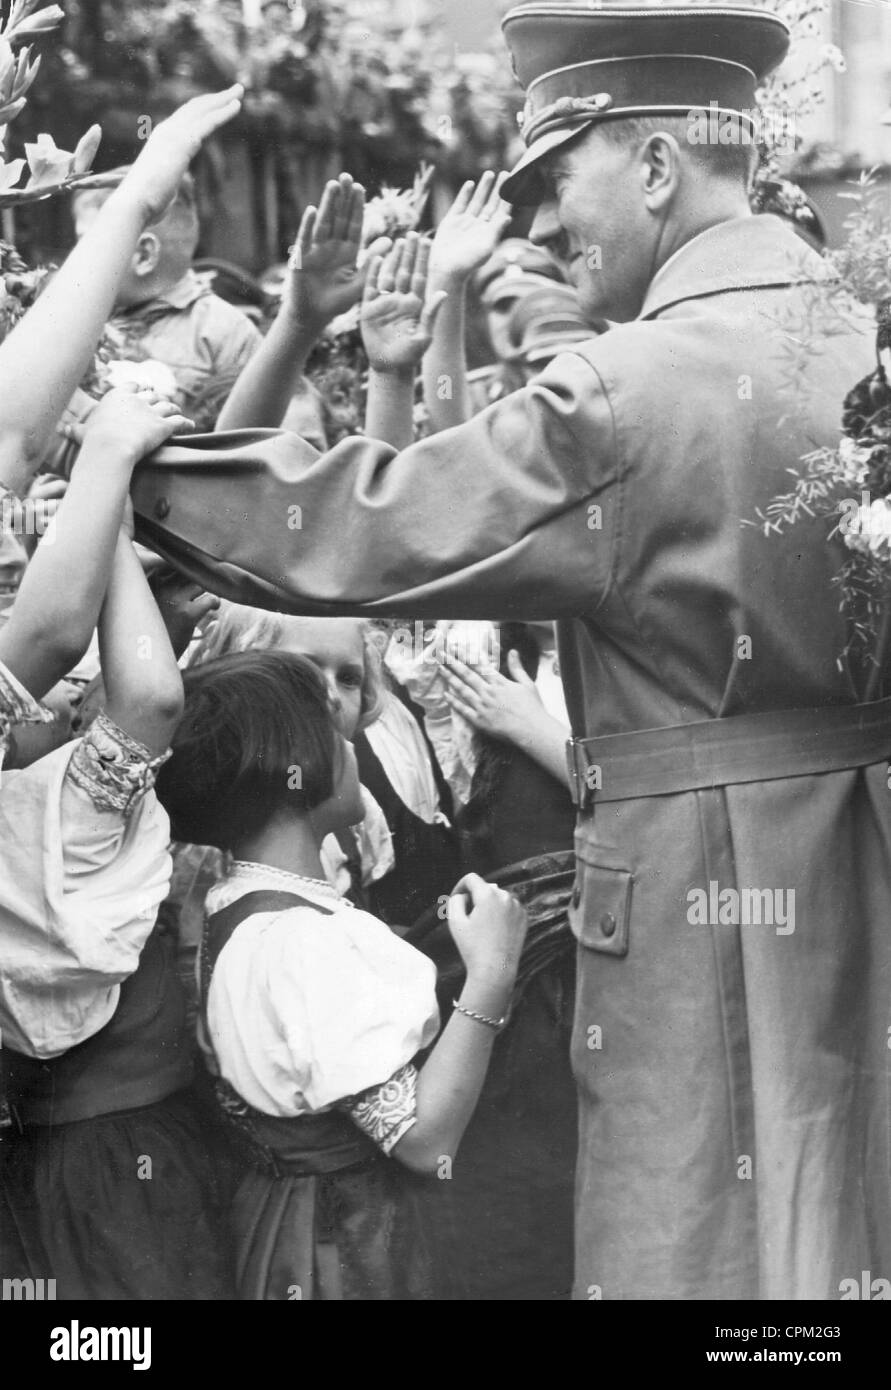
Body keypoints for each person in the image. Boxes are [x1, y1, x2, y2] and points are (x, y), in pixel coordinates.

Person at [129, 5, 890, 1301]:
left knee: (693, 1232)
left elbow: (364, 530)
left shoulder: (627, 391)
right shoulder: (855, 339)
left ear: (653, 165)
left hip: (693, 873)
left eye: (551, 180)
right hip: (854, 863)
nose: (535, 225)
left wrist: (127, 466)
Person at [155, 650, 528, 1299]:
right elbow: (425, 1141)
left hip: (291, 1227)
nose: (352, 739)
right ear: (294, 768)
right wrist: (490, 974)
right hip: (346, 1250)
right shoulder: (303, 944)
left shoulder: (242, 907)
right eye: (333, 731)